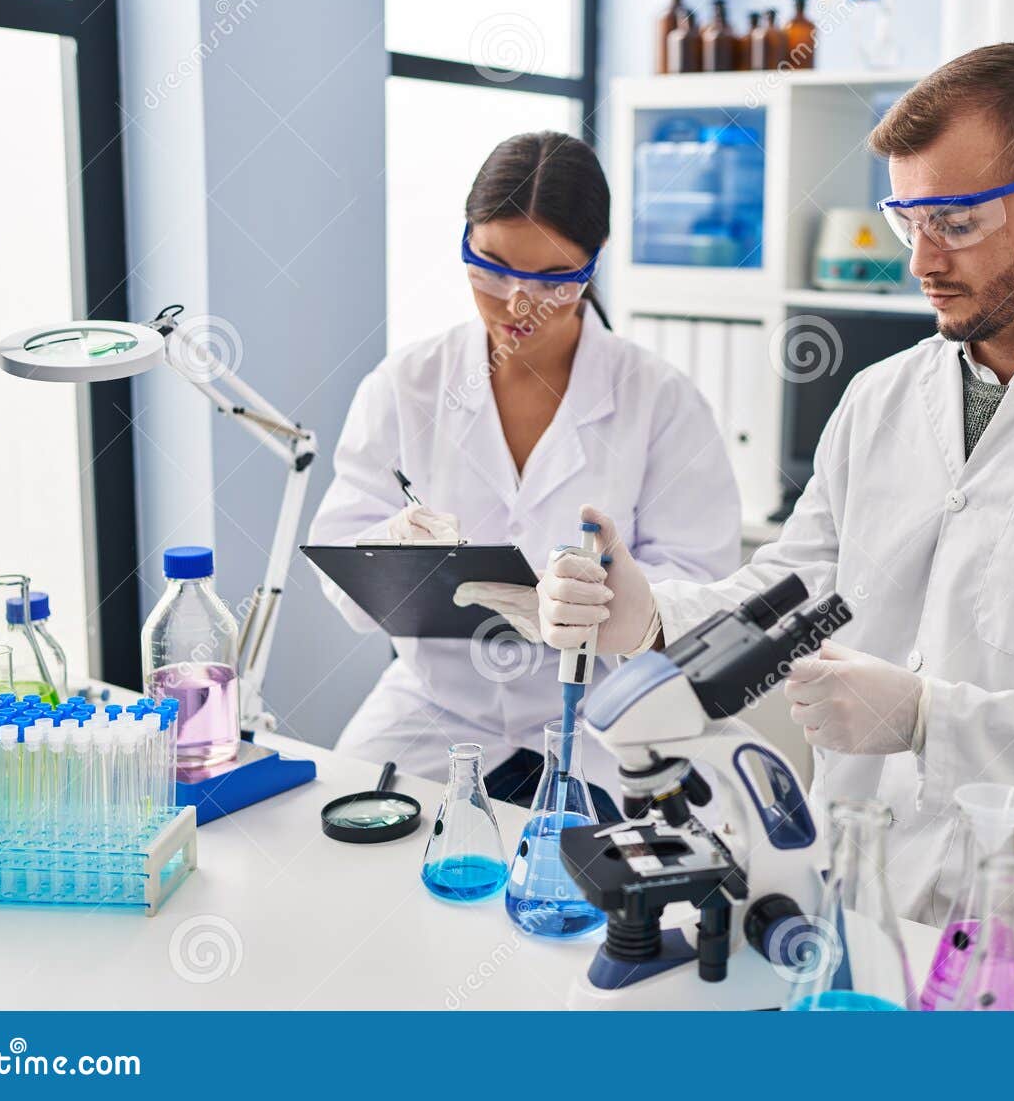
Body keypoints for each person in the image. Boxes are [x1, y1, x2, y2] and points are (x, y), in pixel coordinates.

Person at [538, 45, 1014, 960]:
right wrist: (652, 617)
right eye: (907, 222)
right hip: (844, 902)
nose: (922, 261)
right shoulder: (880, 399)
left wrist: (934, 720)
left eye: (956, 223)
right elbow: (794, 593)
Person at [310, 131, 740, 814]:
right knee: (341, 831)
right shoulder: (407, 385)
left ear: (594, 263)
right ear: (466, 240)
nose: (518, 305)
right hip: (436, 708)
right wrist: (391, 547)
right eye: (492, 269)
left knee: (625, 866)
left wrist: (611, 603)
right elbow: (344, 566)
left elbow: (706, 588)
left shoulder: (661, 400)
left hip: (604, 716)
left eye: (552, 282)